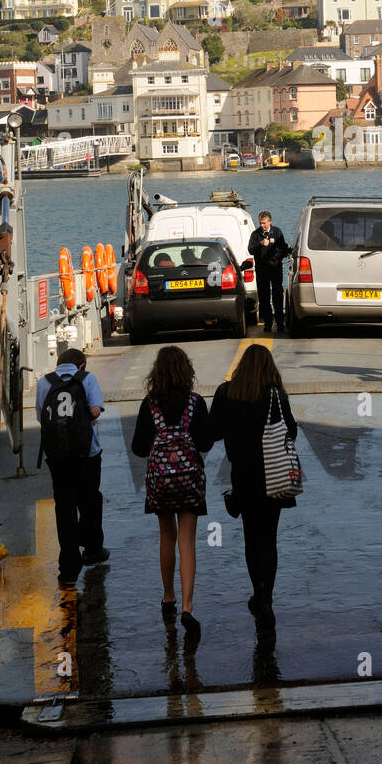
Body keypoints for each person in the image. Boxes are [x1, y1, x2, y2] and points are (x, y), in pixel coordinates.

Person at [209, 344, 297, 632]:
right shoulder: (275, 394)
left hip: (243, 477)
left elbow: (214, 432)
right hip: (273, 477)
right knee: (269, 538)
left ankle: (257, 594)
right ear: (269, 367)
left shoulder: (226, 393)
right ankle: (268, 599)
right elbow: (292, 431)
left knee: (251, 538)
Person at [131, 346, 212, 634]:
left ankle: (169, 597)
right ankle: (188, 607)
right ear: (186, 371)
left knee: (167, 536)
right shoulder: (195, 403)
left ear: (157, 373)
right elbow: (205, 443)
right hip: (189, 484)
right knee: (187, 541)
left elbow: (139, 448)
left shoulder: (149, 405)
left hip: (161, 484)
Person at [35, 347, 108, 586]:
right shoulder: (87, 378)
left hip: (57, 455)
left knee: (64, 507)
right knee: (90, 500)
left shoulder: (44, 382)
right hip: (87, 453)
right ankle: (93, 548)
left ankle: (68, 567)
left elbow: (40, 417)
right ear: (82, 365)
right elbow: (95, 410)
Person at [247, 210, 290, 332]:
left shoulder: (277, 232)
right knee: (264, 297)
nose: (262, 225)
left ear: (270, 221)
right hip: (262, 270)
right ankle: (268, 323)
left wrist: (277, 259)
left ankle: (280, 323)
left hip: (275, 269)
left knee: (277, 295)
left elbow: (283, 249)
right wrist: (260, 244)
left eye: (264, 223)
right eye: (260, 223)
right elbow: (250, 250)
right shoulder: (255, 234)